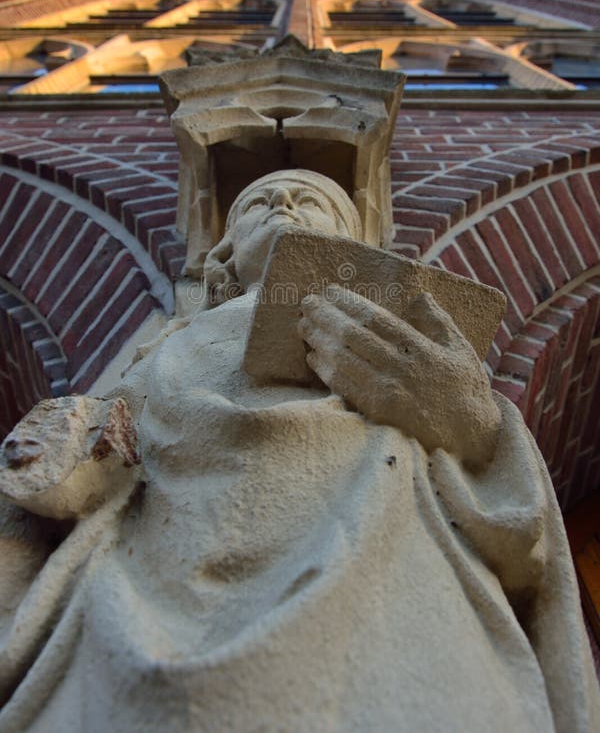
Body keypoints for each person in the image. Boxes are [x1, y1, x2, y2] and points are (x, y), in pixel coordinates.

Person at [0, 169, 598, 733]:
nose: (283, 205)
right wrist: (60, 456)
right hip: (157, 577)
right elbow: (94, 455)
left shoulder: (401, 331)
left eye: (308, 201)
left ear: (341, 237)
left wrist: (463, 415)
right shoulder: (163, 348)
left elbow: (500, 479)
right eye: (258, 204)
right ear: (225, 254)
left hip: (384, 554)